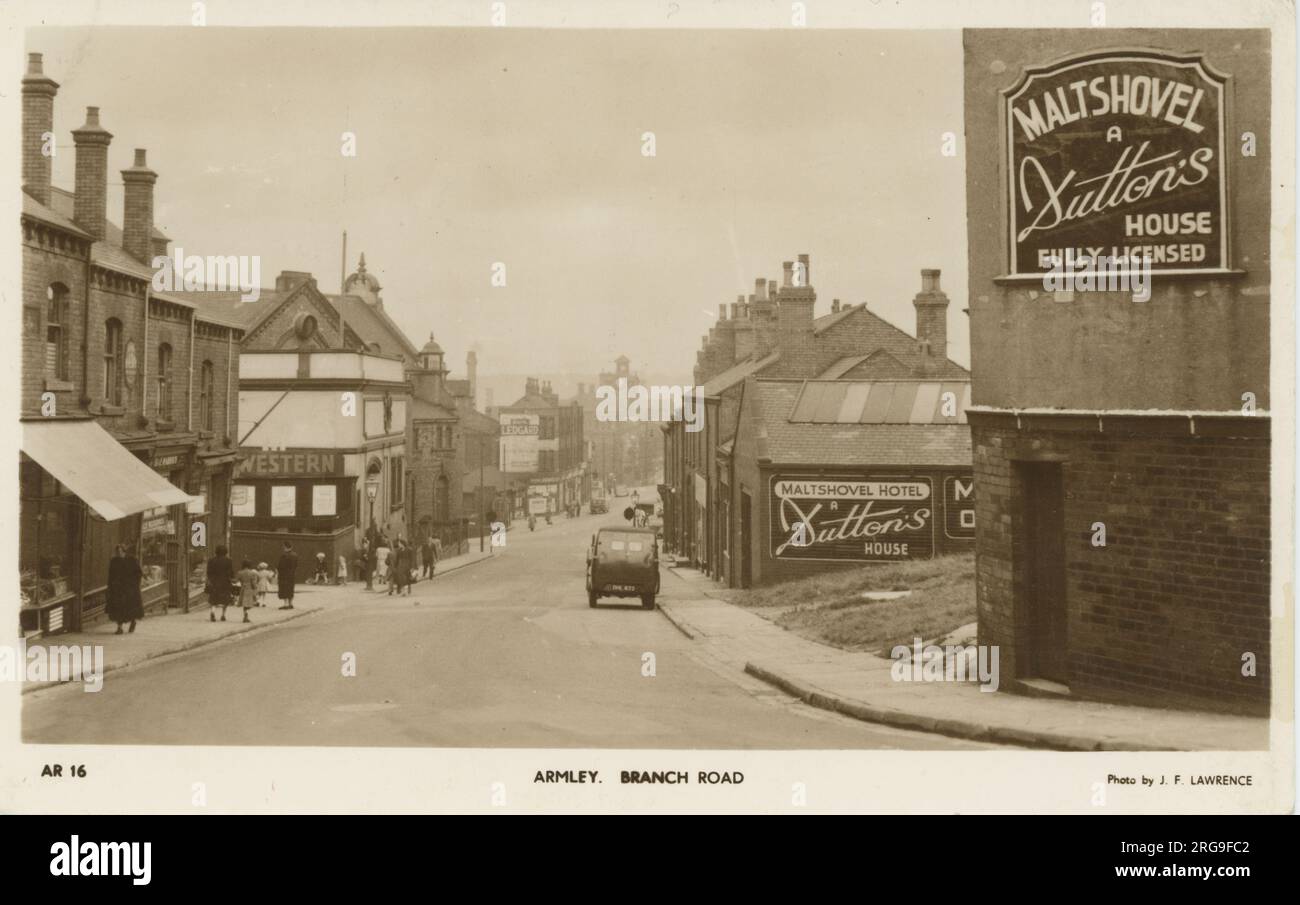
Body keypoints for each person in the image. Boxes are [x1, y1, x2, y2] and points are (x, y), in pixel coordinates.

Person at [106, 543, 144, 634]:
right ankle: (119, 628)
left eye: (120, 551)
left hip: (129, 589)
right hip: (118, 589)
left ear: (124, 551)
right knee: (118, 608)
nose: (118, 553)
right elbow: (111, 575)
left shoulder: (132, 560)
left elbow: (138, 573)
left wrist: (134, 584)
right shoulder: (114, 561)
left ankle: (133, 622)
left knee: (130, 608)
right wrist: (110, 587)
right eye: (117, 551)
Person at [206, 545, 235, 622]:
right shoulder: (228, 560)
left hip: (214, 582)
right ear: (226, 551)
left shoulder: (211, 560)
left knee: (214, 599)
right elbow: (231, 573)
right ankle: (223, 615)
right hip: (225, 582)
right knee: (225, 599)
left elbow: (209, 572)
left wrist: (211, 580)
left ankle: (213, 611)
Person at [235, 559, 259, 623]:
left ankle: (245, 614)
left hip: (243, 588)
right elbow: (253, 583)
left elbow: (236, 580)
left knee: (244, 603)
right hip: (249, 588)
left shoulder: (240, 572)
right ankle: (246, 614)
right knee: (249, 603)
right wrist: (255, 588)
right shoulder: (252, 573)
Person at [277, 541, 298, 610]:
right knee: (291, 588)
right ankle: (290, 603)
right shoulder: (295, 555)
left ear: (285, 547)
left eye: (283, 547)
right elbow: (296, 565)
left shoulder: (284, 555)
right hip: (292, 575)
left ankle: (286, 604)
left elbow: (280, 566)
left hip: (284, 575)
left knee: (284, 588)